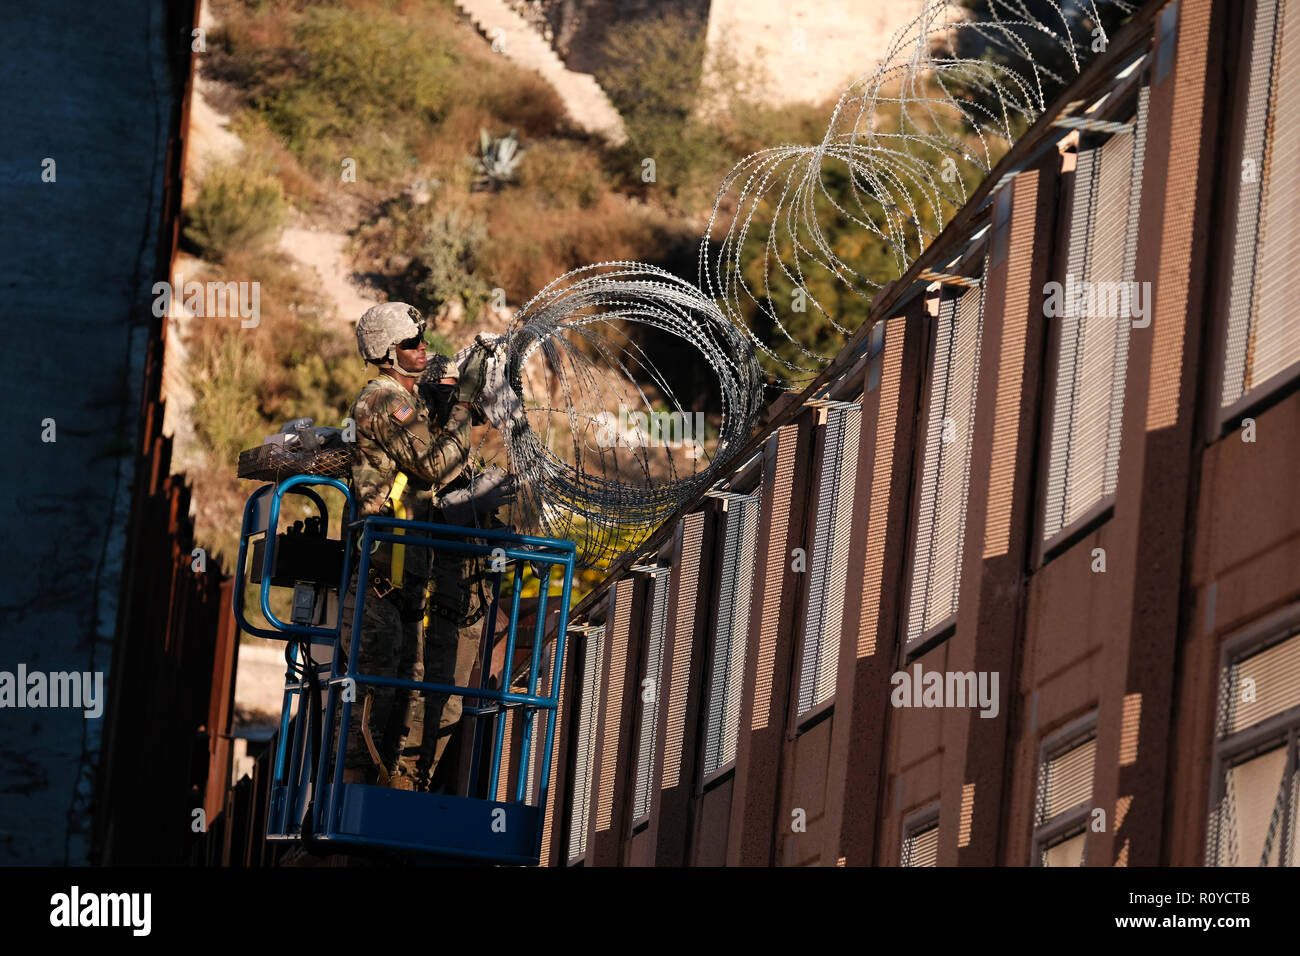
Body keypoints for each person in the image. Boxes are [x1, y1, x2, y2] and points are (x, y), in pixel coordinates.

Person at [341, 302, 479, 787]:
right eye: (412, 346)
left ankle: (392, 797)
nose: (424, 351)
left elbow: (429, 454)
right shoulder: (381, 401)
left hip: (405, 578)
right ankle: (356, 803)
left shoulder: (409, 402)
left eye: (423, 342)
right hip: (382, 578)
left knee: (406, 702)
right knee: (373, 701)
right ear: (387, 353)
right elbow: (432, 466)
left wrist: (444, 409)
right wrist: (462, 407)